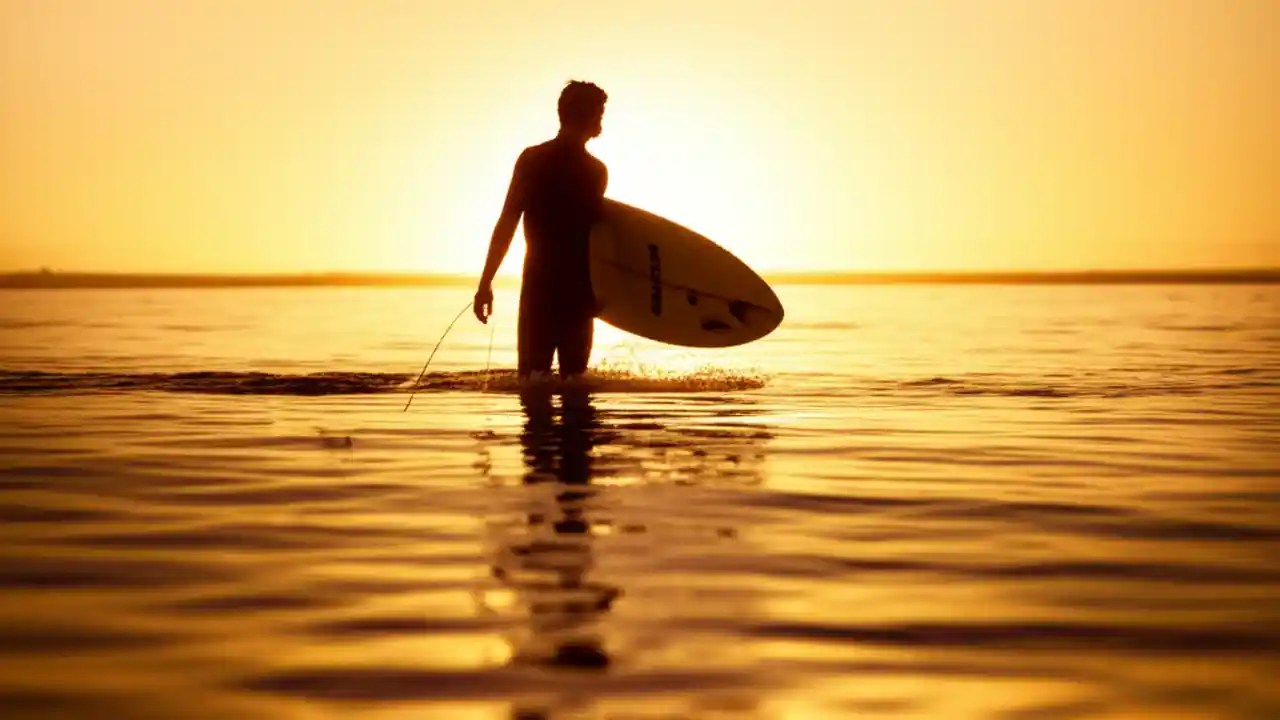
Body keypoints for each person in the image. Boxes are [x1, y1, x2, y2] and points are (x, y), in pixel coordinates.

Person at [474, 81, 609, 380]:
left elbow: (507, 221)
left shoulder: (532, 160)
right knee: (577, 392)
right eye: (599, 113)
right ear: (586, 116)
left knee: (532, 386)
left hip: (539, 287)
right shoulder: (594, 171)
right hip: (578, 291)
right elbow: (597, 239)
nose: (602, 121)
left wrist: (486, 282)